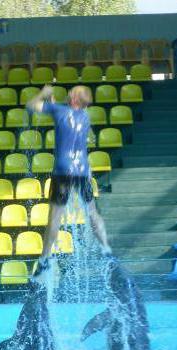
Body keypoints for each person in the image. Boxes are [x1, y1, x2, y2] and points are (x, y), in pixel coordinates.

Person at [27, 85, 113, 280]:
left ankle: (44, 260)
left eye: (71, 91)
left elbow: (31, 105)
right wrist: (54, 105)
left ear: (74, 97)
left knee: (55, 217)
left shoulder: (59, 110)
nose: (68, 92)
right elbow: (68, 120)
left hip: (63, 170)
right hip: (82, 171)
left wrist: (44, 94)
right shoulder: (85, 116)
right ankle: (107, 250)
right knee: (92, 212)